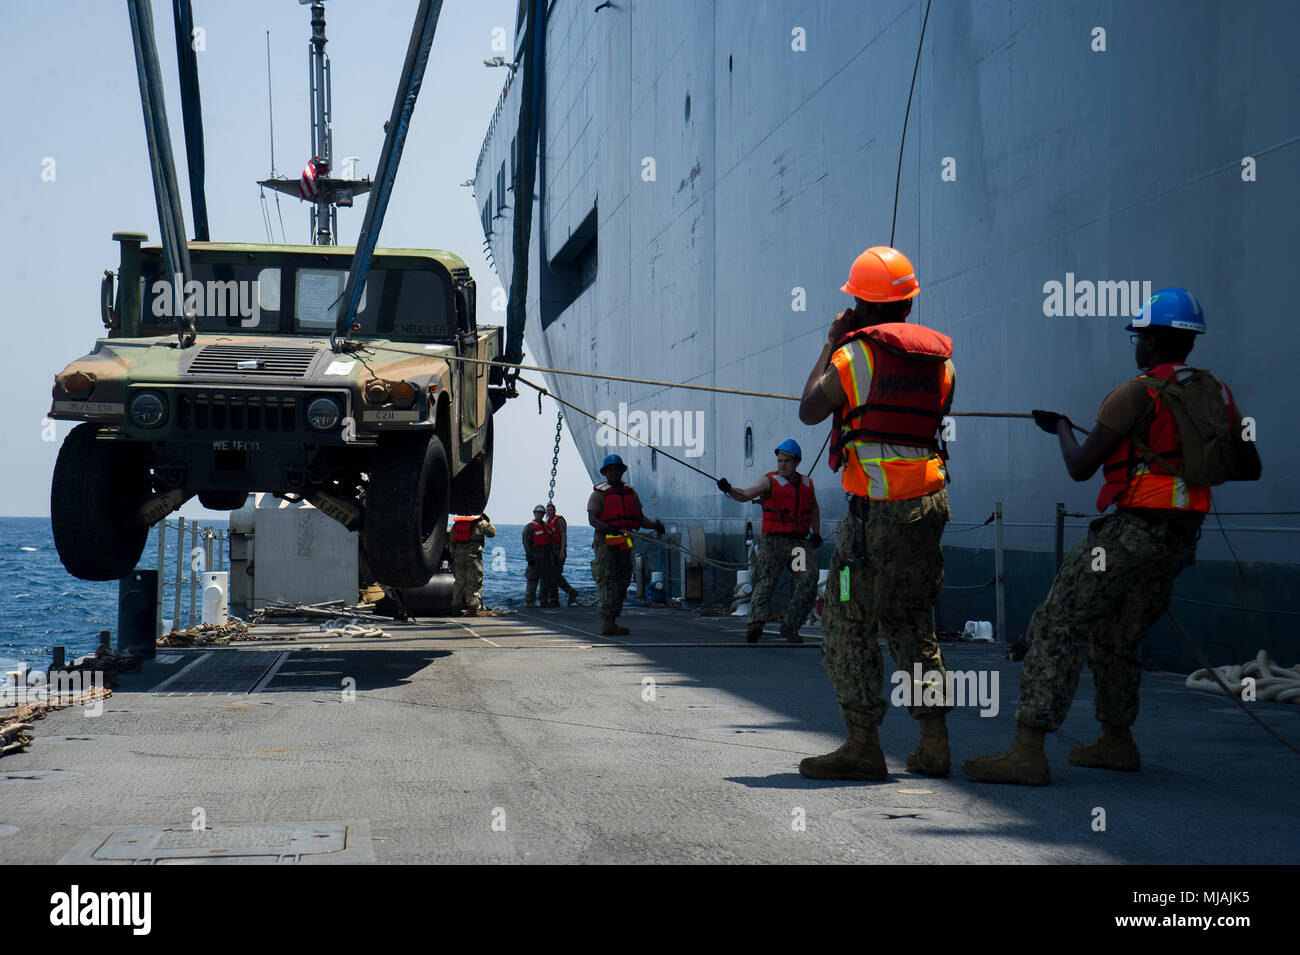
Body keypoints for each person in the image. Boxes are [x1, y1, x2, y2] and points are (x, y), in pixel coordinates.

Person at [964, 288, 1260, 785]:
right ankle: (1117, 741)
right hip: (1180, 540)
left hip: (1130, 534)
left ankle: (1028, 751)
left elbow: (1081, 467)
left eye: (1138, 337)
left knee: (1057, 622)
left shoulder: (1134, 393)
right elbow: (1249, 466)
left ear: (1151, 341)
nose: (1135, 347)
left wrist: (1060, 427)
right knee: (1118, 635)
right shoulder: (1221, 396)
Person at [796, 245, 956, 781]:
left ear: (860, 305)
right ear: (909, 302)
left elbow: (810, 409)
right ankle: (934, 741)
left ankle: (863, 745)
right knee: (912, 619)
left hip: (876, 517)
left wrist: (831, 341)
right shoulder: (942, 362)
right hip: (930, 506)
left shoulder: (854, 354)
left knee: (845, 619)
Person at [717, 439, 822, 644]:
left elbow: (814, 508)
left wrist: (816, 532)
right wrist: (728, 489)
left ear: (797, 462)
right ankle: (755, 623)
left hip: (797, 545)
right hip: (773, 543)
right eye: (780, 460)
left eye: (787, 461)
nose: (781, 464)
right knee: (766, 581)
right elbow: (746, 495)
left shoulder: (808, 484)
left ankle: (790, 625)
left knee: (809, 579)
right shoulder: (768, 482)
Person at [588, 454, 664, 635]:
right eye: (610, 470)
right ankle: (608, 620)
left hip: (625, 539)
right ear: (605, 473)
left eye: (617, 469)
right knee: (607, 578)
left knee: (623, 579)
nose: (614, 472)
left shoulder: (631, 493)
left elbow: (639, 518)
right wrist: (609, 527)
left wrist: (654, 526)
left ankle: (614, 618)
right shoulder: (598, 495)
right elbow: (593, 520)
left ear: (622, 471)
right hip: (606, 541)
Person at [449, 513, 496, 616]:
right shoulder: (480, 522)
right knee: (475, 581)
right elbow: (492, 533)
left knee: (459, 581)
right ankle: (472, 608)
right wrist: (489, 521)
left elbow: (451, 541)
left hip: (459, 556)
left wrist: (454, 554)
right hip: (473, 557)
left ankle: (455, 607)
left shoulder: (457, 524)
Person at [523, 505, 561, 607]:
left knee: (546, 581)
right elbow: (526, 543)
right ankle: (530, 601)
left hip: (547, 558)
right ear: (534, 513)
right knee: (532, 580)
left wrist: (555, 555)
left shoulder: (547, 528)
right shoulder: (529, 528)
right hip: (535, 558)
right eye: (537, 513)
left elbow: (552, 543)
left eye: (541, 513)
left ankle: (544, 601)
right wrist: (529, 556)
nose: (539, 515)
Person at [545, 503, 580, 606]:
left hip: (558, 550)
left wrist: (562, 551)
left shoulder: (560, 521)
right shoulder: (548, 522)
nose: (549, 512)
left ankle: (570, 591)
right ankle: (554, 600)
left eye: (550, 510)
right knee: (552, 575)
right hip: (551, 552)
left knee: (556, 574)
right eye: (547, 511)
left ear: (554, 511)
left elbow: (563, 536)